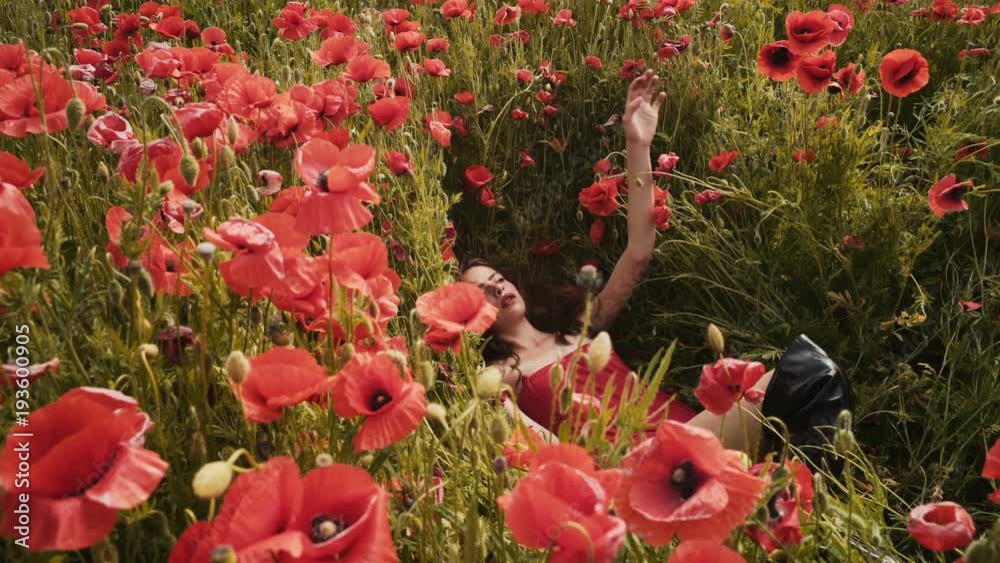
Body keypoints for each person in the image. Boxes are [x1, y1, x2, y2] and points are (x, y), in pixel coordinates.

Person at [458, 69, 852, 469]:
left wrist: (637, 144)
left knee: (807, 374)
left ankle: (800, 503)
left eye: (498, 279)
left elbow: (639, 249)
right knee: (811, 374)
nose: (498, 289)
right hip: (638, 469)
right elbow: (536, 446)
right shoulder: (503, 372)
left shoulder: (581, 326)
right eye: (482, 292)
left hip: (690, 432)